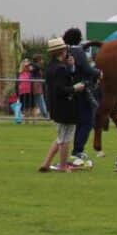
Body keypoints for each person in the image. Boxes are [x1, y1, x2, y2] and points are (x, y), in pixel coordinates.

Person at [39, 39, 85, 172]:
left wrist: (71, 67)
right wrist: (75, 88)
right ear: (62, 51)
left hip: (55, 106)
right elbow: (61, 89)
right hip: (66, 107)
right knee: (66, 138)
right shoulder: (60, 69)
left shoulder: (51, 67)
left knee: (60, 136)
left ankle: (47, 163)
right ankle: (63, 165)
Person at [63, 28, 101, 167]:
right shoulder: (78, 51)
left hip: (73, 90)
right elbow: (86, 69)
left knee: (80, 121)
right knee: (87, 121)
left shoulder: (67, 51)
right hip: (83, 89)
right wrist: (98, 72)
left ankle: (76, 149)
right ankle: (78, 149)